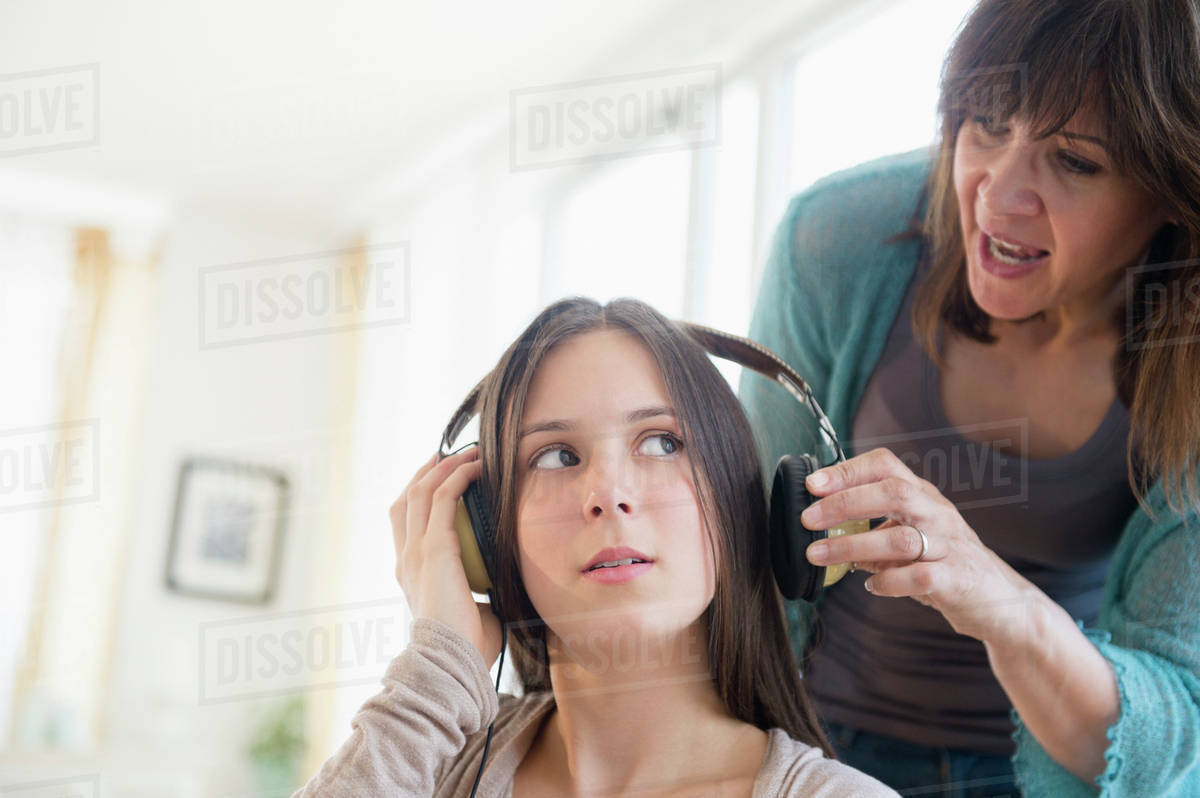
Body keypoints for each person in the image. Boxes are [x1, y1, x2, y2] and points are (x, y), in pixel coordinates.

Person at [739, 1, 1200, 796]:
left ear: (1171, 189)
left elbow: (1172, 742)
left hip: (1047, 770)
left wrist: (996, 598)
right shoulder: (839, 239)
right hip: (812, 739)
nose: (998, 193)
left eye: (1075, 161)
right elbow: (745, 556)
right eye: (986, 123)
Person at [294, 297, 897, 796]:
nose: (608, 494)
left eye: (661, 443)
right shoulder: (423, 762)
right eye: (557, 456)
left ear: (740, 507)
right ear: (484, 538)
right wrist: (435, 676)